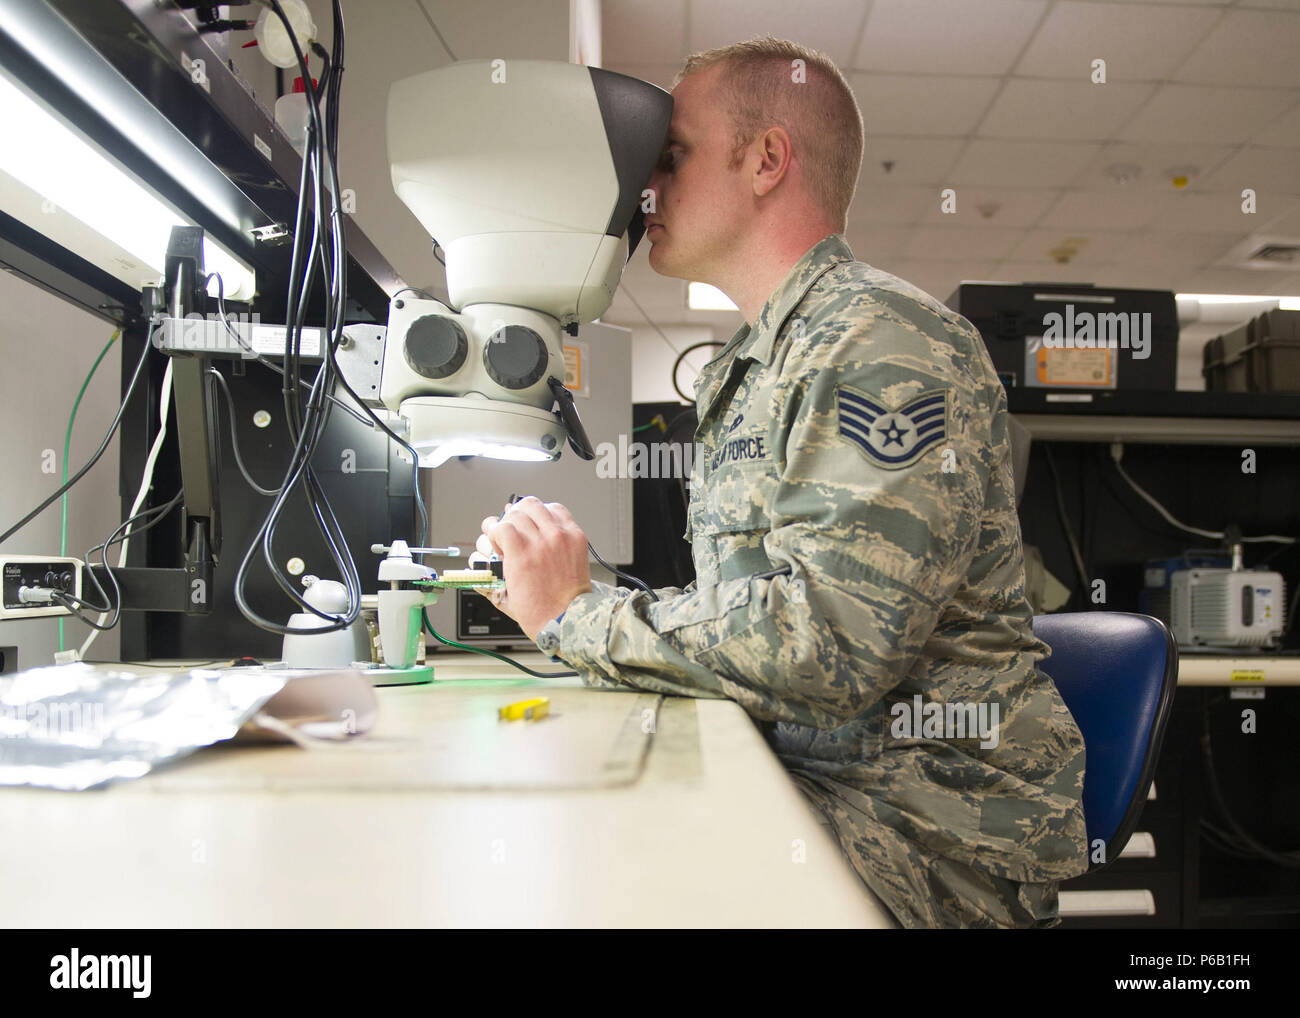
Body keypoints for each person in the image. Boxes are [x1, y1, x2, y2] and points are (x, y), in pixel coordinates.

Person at [478, 37, 1089, 928]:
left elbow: (831, 643)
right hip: (814, 774)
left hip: (928, 827)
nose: (646, 187)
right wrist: (584, 601)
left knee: (590, 885)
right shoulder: (761, 362)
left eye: (671, 155)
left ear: (767, 159)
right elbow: (763, 608)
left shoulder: (880, 340)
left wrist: (579, 616)